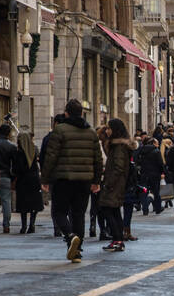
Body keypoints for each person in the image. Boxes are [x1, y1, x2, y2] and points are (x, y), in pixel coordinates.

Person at [41, 100, 102, 262]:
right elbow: (98, 159)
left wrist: (45, 178)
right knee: (78, 214)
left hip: (63, 178)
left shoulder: (59, 130)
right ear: (81, 113)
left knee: (59, 211)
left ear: (66, 113)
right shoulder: (91, 133)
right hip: (84, 180)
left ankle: (70, 236)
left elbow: (51, 157)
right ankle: (77, 250)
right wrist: (96, 180)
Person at [100, 118, 135, 251]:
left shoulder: (119, 147)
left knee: (108, 209)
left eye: (109, 128)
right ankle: (118, 239)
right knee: (113, 211)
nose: (107, 131)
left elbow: (118, 167)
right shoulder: (116, 145)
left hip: (115, 184)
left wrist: (109, 183)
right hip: (117, 183)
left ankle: (117, 239)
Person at [11, 130, 44, 233]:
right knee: (34, 203)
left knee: (23, 204)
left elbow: (17, 168)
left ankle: (24, 225)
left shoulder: (18, 152)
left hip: (23, 180)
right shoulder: (34, 149)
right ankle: (32, 224)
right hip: (34, 179)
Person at [0, 122, 19, 233]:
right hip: (6, 176)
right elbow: (14, 164)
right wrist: (14, 178)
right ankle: (6, 225)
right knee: (6, 201)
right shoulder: (11, 146)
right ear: (9, 133)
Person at [135, 135, 165, 213]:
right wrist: (162, 172)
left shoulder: (141, 150)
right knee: (156, 192)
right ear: (153, 143)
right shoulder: (156, 151)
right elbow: (160, 163)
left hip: (144, 174)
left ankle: (145, 209)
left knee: (144, 191)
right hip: (155, 175)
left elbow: (137, 161)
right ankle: (158, 208)